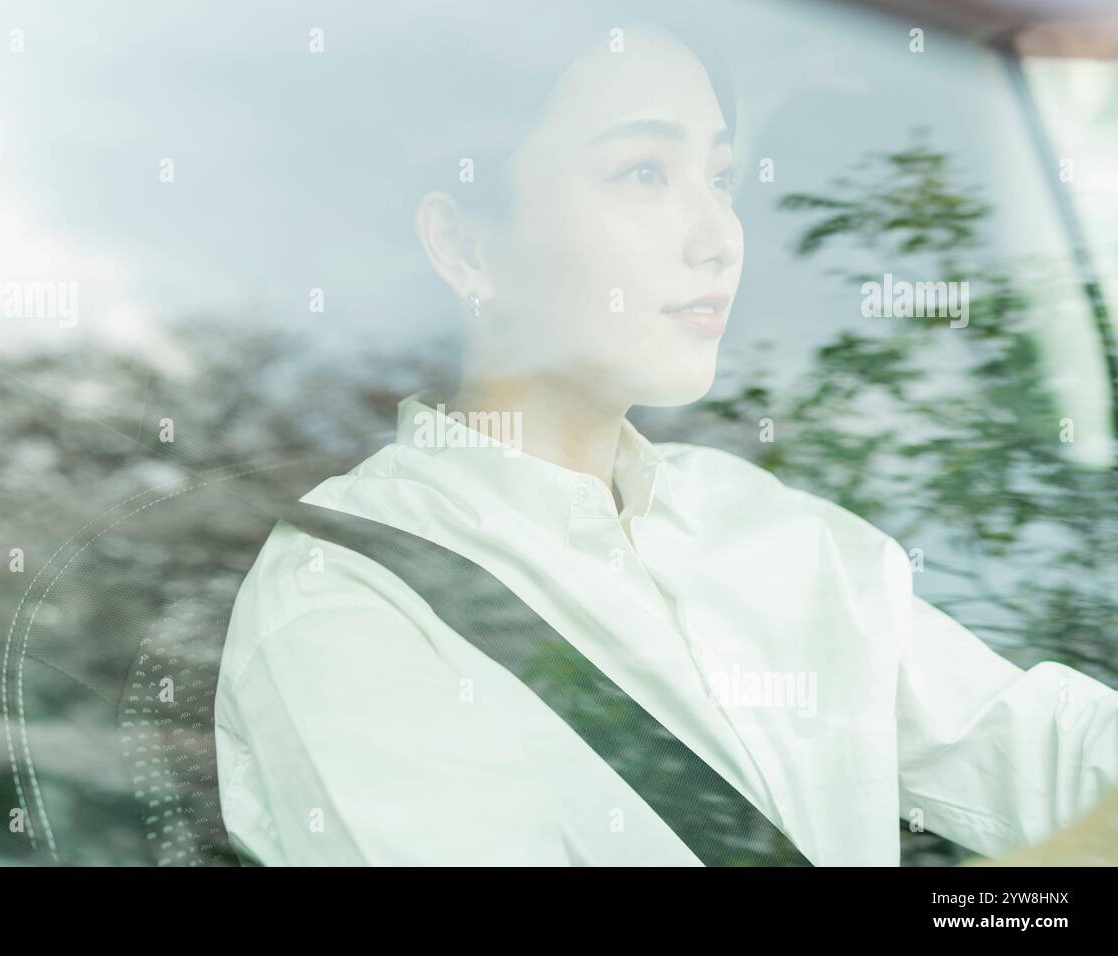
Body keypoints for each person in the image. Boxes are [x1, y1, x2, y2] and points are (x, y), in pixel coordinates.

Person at [214, 8, 1118, 865]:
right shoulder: (350, 606)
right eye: (643, 172)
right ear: (465, 248)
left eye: (721, 179)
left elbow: (1045, 750)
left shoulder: (761, 526)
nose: (719, 235)